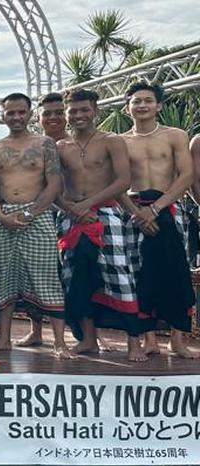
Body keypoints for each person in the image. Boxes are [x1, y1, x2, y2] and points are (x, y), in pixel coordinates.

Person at [55, 88, 143, 360]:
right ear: (66, 113)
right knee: (76, 277)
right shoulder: (60, 146)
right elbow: (53, 187)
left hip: (106, 213)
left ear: (95, 110)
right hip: (71, 217)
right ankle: (88, 339)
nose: (79, 115)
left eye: (85, 109)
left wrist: (88, 204)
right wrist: (72, 209)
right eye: (73, 111)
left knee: (118, 274)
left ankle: (134, 342)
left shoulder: (111, 141)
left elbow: (123, 181)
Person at [0, 92, 69, 358]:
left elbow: (54, 184)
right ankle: (4, 339)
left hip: (38, 216)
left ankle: (59, 342)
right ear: (3, 115)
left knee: (46, 277)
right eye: (11, 112)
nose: (16, 117)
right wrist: (1, 215)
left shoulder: (44, 144)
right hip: (5, 217)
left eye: (21, 112)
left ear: (30, 114)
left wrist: (31, 213)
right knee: (4, 279)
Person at [119, 81, 197, 358]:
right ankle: (149, 339)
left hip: (168, 208)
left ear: (159, 105)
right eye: (136, 101)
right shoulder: (120, 142)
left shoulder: (175, 135)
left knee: (176, 273)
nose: (142, 105)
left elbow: (186, 175)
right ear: (127, 108)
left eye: (148, 100)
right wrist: (136, 213)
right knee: (139, 274)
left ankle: (177, 339)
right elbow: (116, 182)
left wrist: (156, 209)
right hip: (134, 211)